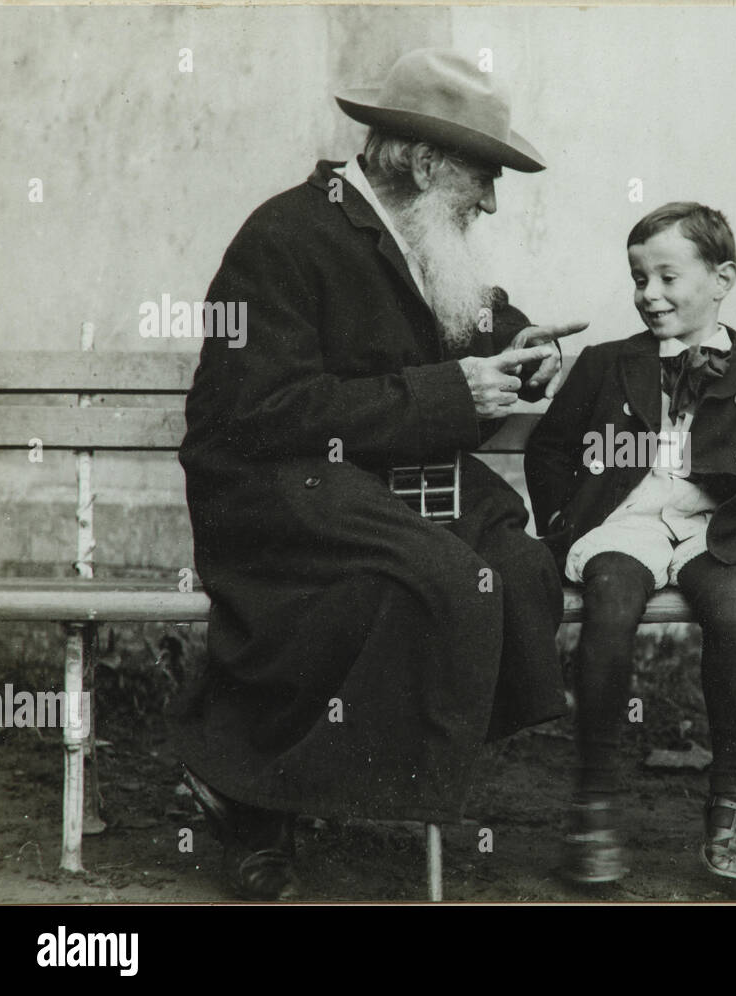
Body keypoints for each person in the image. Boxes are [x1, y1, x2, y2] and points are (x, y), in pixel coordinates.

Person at [174, 48, 586, 900]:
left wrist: (526, 350)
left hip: (387, 475)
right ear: (426, 163)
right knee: (437, 582)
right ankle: (256, 801)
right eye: (484, 176)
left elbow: (477, 319)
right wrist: (446, 392)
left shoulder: (421, 231)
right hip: (277, 487)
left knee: (515, 565)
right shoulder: (284, 235)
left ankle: (349, 775)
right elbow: (253, 414)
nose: (491, 201)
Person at [525, 203, 736, 883]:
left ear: (721, 278)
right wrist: (566, 525)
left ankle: (730, 807)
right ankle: (595, 805)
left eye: (667, 277)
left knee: (734, 612)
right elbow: (550, 449)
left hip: (710, 529)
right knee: (612, 599)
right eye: (638, 278)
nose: (649, 294)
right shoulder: (607, 364)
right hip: (626, 523)